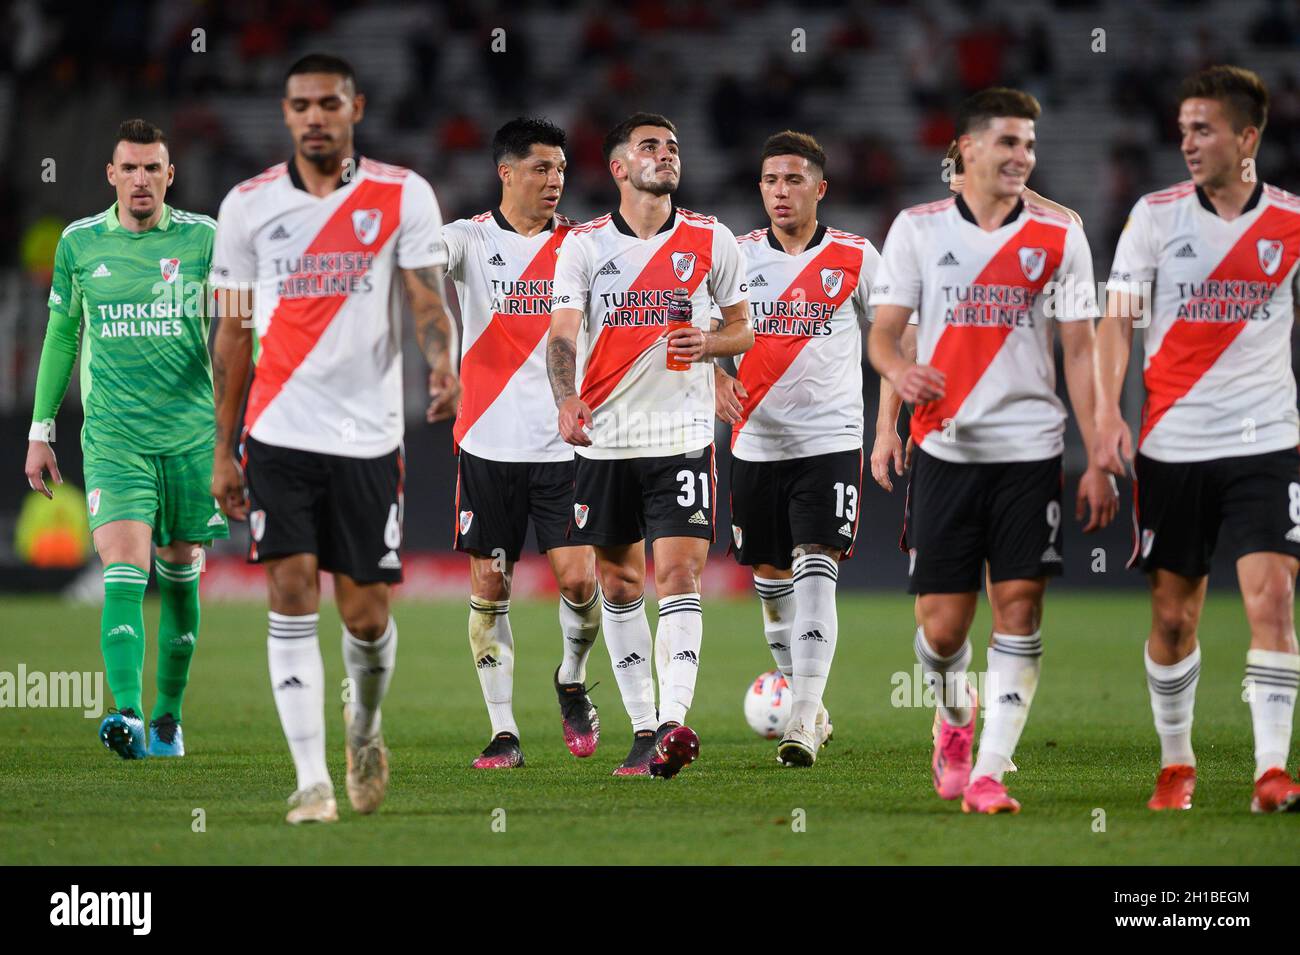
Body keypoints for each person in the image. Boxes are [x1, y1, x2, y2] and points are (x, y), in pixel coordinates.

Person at [209, 53, 453, 824]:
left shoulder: (402, 193)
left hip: (369, 436)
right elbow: (233, 331)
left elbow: (424, 300)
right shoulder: (246, 207)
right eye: (301, 105)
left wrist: (442, 362)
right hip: (277, 430)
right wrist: (223, 447)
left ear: (356, 108)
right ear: (284, 115)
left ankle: (366, 727)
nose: (314, 116)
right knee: (287, 587)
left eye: (328, 103)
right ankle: (311, 780)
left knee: (366, 615)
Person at [868, 87, 1117, 814]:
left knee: (1019, 604)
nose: (1022, 157)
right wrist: (895, 377)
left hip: (1029, 449)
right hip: (945, 448)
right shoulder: (916, 229)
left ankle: (991, 772)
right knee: (942, 631)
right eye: (1008, 143)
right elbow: (886, 333)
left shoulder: (1061, 236)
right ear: (967, 150)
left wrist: (1097, 443)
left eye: (1030, 145)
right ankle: (954, 714)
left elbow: (1079, 347)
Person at [1096, 64, 1300, 814]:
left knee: (1273, 598)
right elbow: (1116, 319)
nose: (1187, 141)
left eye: (1204, 128)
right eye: (1183, 128)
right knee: (1174, 616)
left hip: (1267, 440)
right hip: (1173, 443)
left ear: (1248, 137)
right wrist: (1109, 415)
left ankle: (1270, 772)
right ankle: (1176, 762)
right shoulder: (1153, 217)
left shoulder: (1292, 223)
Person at [546, 112, 753, 777]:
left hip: (682, 437)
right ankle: (640, 728)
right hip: (605, 440)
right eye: (650, 147)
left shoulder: (711, 238)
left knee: (681, 574)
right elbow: (561, 337)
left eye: (672, 146)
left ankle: (673, 721)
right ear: (618, 167)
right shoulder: (582, 245)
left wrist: (712, 345)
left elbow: (743, 328)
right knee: (620, 579)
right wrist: (565, 398)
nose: (666, 155)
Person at [24, 119, 228, 760]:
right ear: (111, 175)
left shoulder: (204, 240)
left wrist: (238, 429)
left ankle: (168, 720)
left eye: (153, 168)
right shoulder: (79, 244)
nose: (141, 179)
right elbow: (60, 337)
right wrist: (41, 430)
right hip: (114, 437)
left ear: (171, 175)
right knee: (123, 566)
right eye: (130, 169)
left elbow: (236, 335)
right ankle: (130, 715)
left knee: (178, 574)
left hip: (192, 437)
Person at [438, 117, 602, 769]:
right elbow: (417, 261)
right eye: (541, 167)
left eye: (561, 168)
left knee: (582, 582)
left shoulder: (584, 246)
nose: (555, 179)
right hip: (486, 444)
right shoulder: (467, 240)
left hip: (564, 448)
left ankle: (571, 678)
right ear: (506, 172)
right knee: (490, 585)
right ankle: (504, 732)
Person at [713, 130, 880, 766]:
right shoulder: (736, 254)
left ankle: (803, 718)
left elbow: (894, 336)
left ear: (820, 188)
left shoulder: (856, 256)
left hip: (830, 439)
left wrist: (888, 424)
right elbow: (705, 333)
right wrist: (718, 381)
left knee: (817, 562)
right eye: (770, 181)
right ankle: (812, 704)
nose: (780, 192)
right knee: (770, 578)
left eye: (793, 180)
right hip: (756, 441)